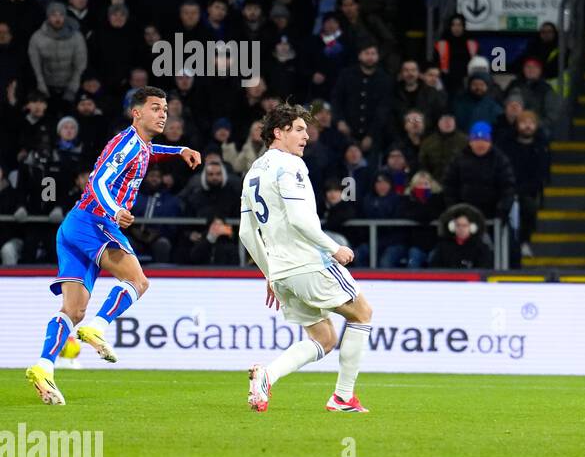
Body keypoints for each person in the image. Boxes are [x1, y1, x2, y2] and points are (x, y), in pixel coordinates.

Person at [25, 86, 201, 405]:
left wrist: (180, 150)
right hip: (95, 221)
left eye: (165, 109)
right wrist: (115, 210)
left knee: (73, 310)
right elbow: (98, 183)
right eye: (156, 108)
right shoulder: (128, 143)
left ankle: (42, 367)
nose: (163, 114)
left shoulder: (140, 145)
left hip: (74, 225)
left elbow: (152, 151)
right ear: (137, 113)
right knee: (137, 281)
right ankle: (98, 327)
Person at [239, 103, 374, 414]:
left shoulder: (252, 172)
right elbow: (300, 220)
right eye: (299, 129)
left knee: (323, 337)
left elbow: (247, 233)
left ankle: (266, 377)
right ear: (278, 132)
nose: (306, 136)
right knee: (362, 313)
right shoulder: (290, 166)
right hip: (308, 263)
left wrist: (270, 275)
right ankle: (342, 397)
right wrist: (332, 248)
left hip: (283, 273)